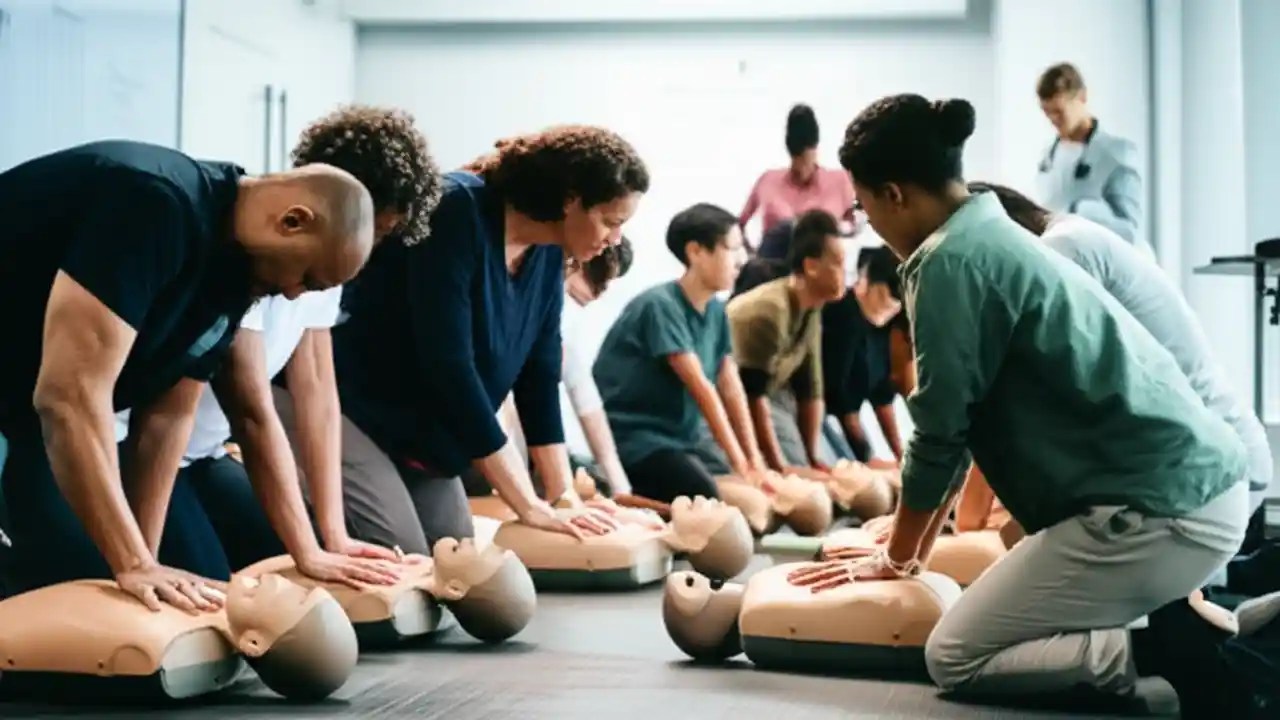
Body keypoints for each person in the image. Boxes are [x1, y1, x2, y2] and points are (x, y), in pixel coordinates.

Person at [787, 93, 1252, 716]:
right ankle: (1199, 628)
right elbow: (962, 430)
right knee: (1011, 557)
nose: (867, 221)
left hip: (1163, 510)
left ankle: (1163, 649)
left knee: (954, 654)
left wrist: (897, 558)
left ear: (893, 194)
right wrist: (914, 548)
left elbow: (940, 435)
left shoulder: (947, 260)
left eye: (863, 204)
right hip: (1197, 487)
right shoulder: (993, 229)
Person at [0, 139, 375, 611]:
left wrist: (145, 563)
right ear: (292, 221)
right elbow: (68, 396)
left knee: (164, 600)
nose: (296, 296)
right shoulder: (153, 202)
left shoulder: (235, 272)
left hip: (26, 417)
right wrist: (132, 562)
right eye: (307, 278)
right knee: (63, 601)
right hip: (41, 414)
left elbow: (167, 418)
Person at [113, 105, 446, 594]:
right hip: (142, 451)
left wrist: (330, 536)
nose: (376, 247)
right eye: (382, 229)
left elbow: (318, 396)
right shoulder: (259, 253)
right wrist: (142, 559)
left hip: (203, 455)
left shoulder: (328, 267)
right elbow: (250, 408)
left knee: (301, 574)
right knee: (212, 590)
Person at [330, 125, 647, 554]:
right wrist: (526, 504)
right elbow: (450, 366)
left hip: (426, 439)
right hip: (351, 411)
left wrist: (561, 498)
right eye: (611, 221)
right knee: (407, 560)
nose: (615, 239)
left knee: (459, 560)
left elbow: (539, 375)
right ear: (571, 200)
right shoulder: (456, 210)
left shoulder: (550, 249)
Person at [594, 203, 767, 504]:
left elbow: (730, 386)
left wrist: (755, 462)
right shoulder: (661, 305)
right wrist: (740, 464)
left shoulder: (716, 311)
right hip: (638, 442)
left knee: (756, 503)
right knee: (712, 502)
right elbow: (702, 388)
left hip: (684, 441)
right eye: (733, 248)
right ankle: (619, 497)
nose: (742, 260)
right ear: (696, 252)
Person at [726, 209, 847, 473]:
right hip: (734, 400)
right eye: (837, 263)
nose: (844, 273)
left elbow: (811, 389)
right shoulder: (769, 310)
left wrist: (812, 457)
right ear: (811, 266)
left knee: (814, 472)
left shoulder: (812, 307)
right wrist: (778, 466)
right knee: (803, 487)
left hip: (773, 395)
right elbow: (751, 395)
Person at [1034, 62, 1145, 248]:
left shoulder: (1118, 154)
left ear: (1082, 97)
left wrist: (1080, 211)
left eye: (1060, 112)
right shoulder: (1047, 157)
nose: (1053, 120)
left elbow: (1130, 232)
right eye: (1047, 112)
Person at [822, 245, 907, 463]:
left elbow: (882, 397)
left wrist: (902, 457)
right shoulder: (842, 314)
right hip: (822, 416)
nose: (892, 307)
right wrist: (867, 459)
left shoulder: (887, 325)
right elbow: (842, 402)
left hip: (846, 420)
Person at [739, 104, 857, 252]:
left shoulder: (840, 182)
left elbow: (858, 226)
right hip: (775, 265)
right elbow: (739, 225)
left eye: (805, 158)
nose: (802, 169)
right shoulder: (768, 181)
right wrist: (754, 256)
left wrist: (833, 232)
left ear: (815, 149)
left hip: (820, 264)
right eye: (797, 158)